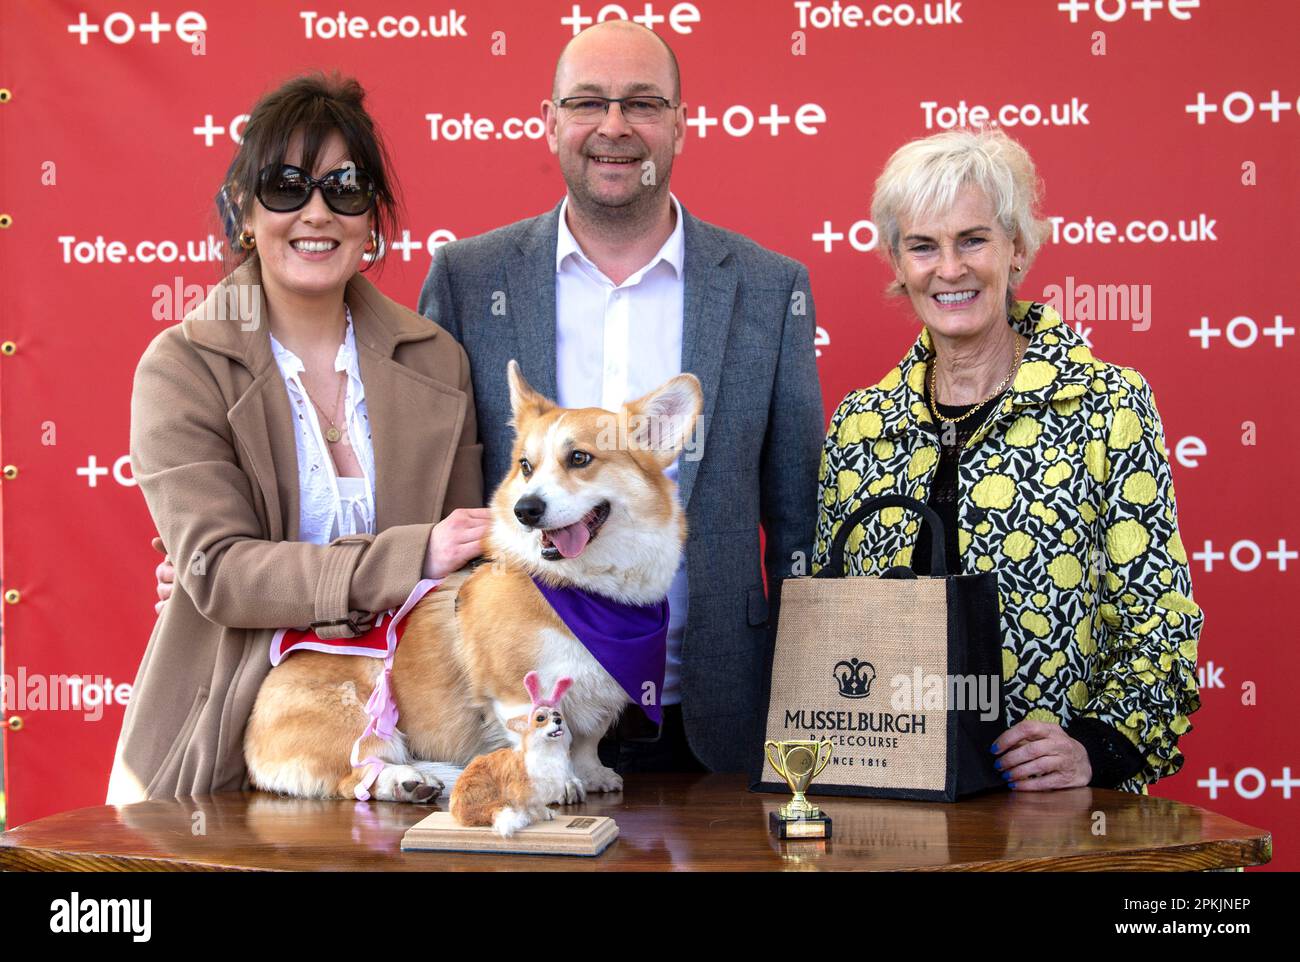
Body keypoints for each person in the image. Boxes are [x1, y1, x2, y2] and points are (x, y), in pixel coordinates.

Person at [417, 21, 824, 774]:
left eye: (641, 103)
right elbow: (417, 488)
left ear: (679, 124)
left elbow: (798, 514)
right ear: (550, 122)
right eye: (588, 103)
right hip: (518, 726)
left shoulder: (771, 289)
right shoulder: (469, 279)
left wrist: (814, 698)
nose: (614, 127)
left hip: (715, 722)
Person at [112, 73, 489, 804]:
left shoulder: (438, 359)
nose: (316, 212)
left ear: (372, 219)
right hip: (230, 725)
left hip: (416, 734)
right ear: (245, 212)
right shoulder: (181, 367)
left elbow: (465, 583)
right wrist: (410, 554)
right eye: (286, 186)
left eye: (344, 187)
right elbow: (219, 571)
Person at [813, 128, 1202, 793]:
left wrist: (1097, 746)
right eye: (923, 246)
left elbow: (1157, 617)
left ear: (1017, 247)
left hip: (1050, 801)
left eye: (973, 240)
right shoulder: (859, 425)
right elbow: (829, 619)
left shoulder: (1105, 405)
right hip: (888, 789)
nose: (950, 268)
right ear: (898, 263)